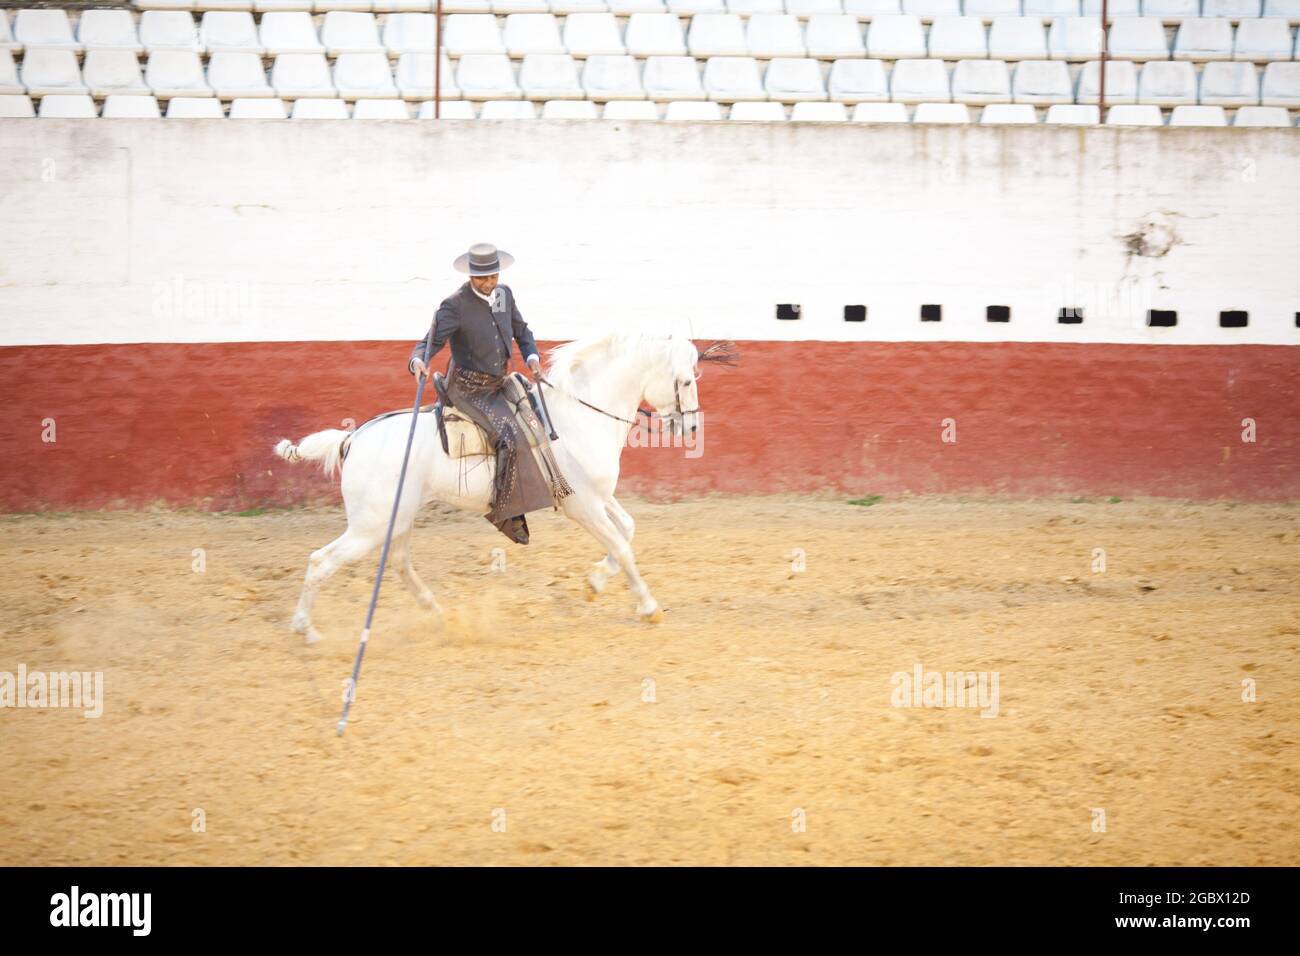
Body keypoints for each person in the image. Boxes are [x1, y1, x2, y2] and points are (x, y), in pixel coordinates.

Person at [409, 243, 554, 545]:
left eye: (493, 276)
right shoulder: (454, 305)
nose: (489, 283)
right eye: (482, 278)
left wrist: (532, 357)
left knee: (537, 418)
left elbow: (522, 331)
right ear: (470, 275)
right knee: (508, 436)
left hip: (498, 382)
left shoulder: (504, 295)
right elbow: (429, 342)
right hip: (467, 388)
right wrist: (418, 360)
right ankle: (505, 512)